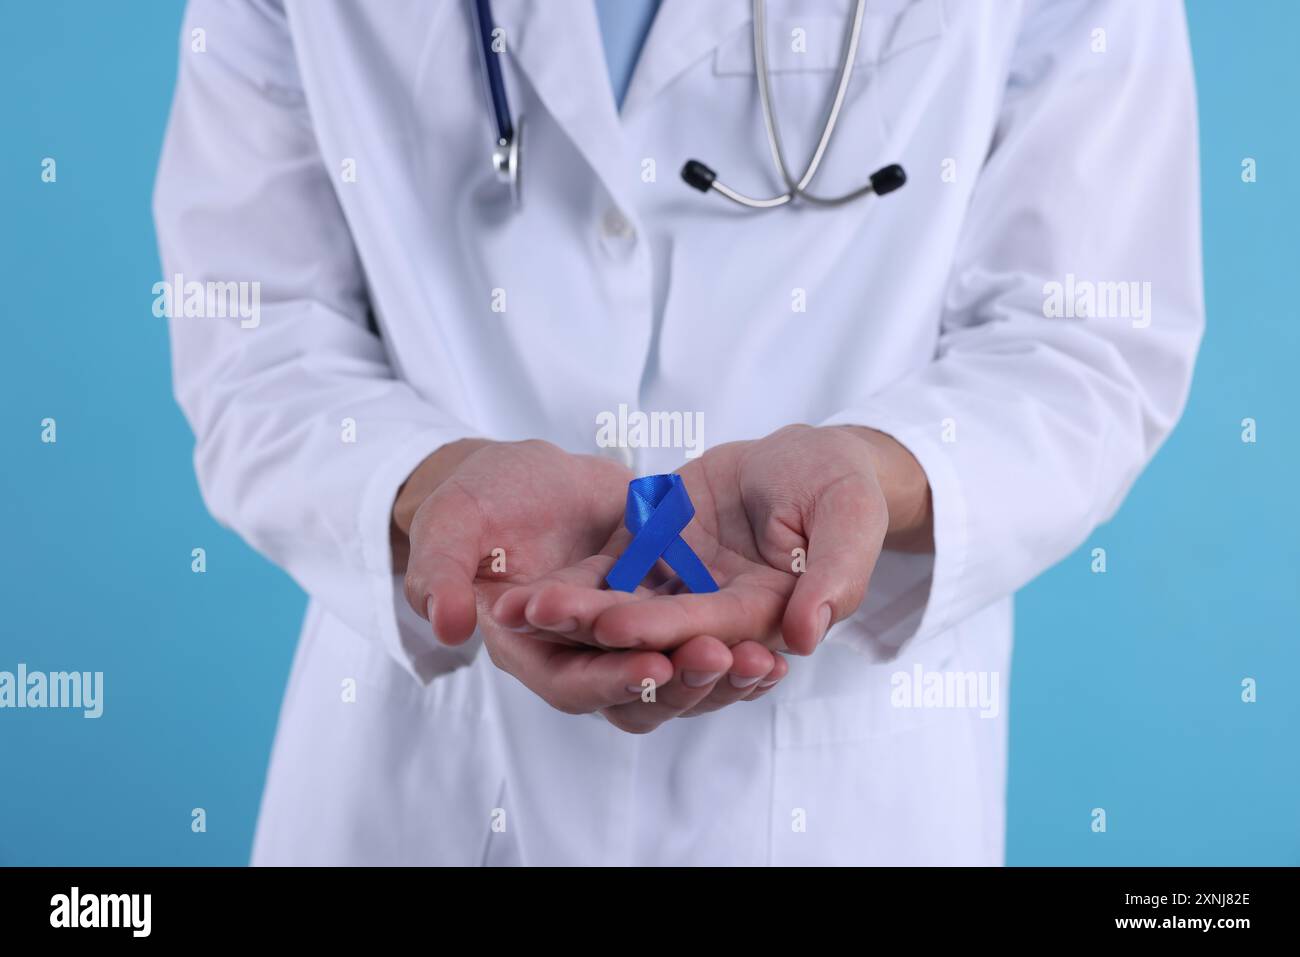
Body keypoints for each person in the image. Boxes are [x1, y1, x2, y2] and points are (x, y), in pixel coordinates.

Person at [153, 0, 1203, 865]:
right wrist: (430, 486)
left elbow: (1085, 336)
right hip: (416, 790)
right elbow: (252, 323)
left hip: (841, 794)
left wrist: (872, 477)